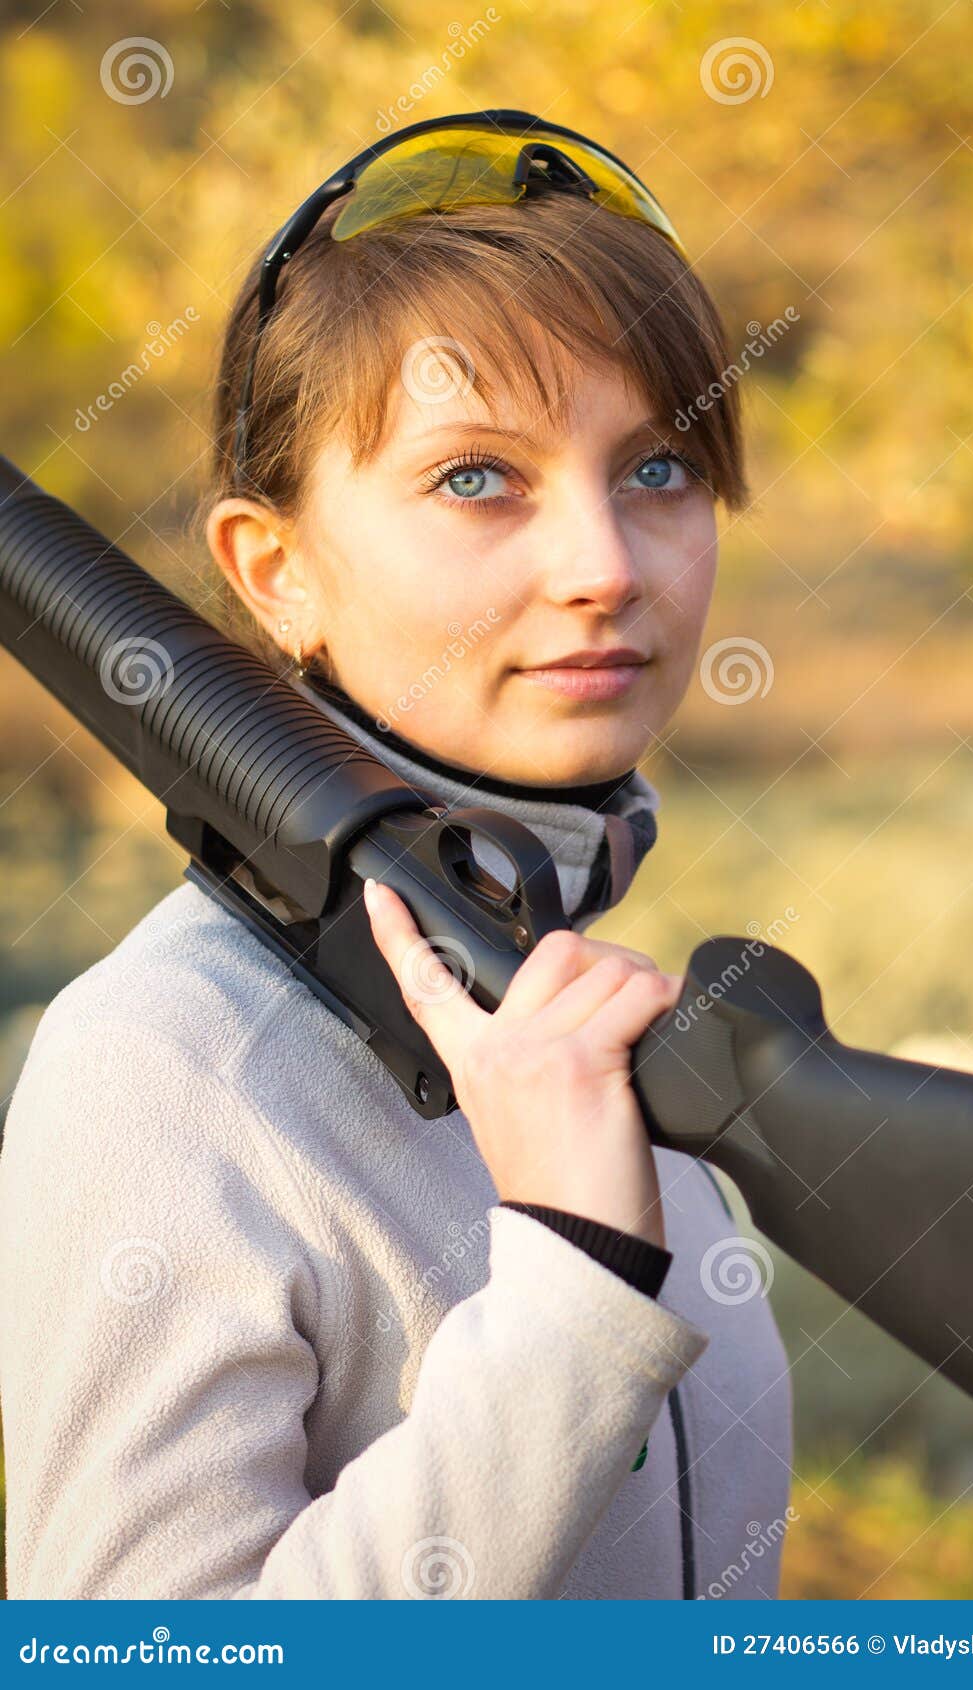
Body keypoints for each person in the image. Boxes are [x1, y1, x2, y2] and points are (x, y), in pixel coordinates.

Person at [0, 111, 792, 1600]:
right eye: (477, 478)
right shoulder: (164, 1066)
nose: (606, 565)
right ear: (275, 571)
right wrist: (572, 1276)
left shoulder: (592, 1018)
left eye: (661, 467)